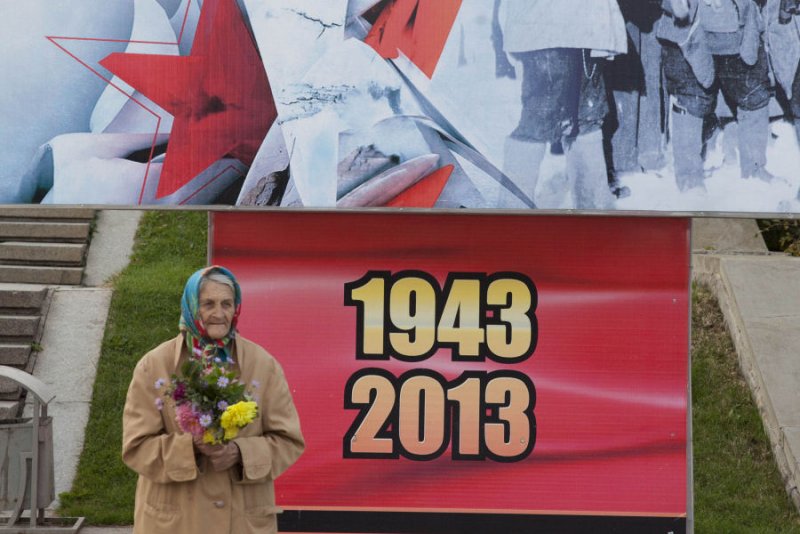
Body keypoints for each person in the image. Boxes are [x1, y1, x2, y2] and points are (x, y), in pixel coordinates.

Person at [122, 265, 304, 534]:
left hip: (242, 521)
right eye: (208, 304)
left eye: (226, 304)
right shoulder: (153, 366)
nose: (219, 314)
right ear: (192, 306)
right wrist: (191, 448)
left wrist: (239, 453)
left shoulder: (264, 365)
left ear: (236, 307)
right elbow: (136, 447)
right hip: (174, 523)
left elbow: (289, 441)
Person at [492, 0, 627, 209]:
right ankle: (510, 213)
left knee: (587, 116)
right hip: (548, 29)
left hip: (584, 29)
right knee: (539, 120)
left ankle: (593, 212)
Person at [657, 0, 775, 191]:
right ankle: (689, 178)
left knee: (753, 96)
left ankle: (755, 169)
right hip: (688, 31)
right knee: (690, 100)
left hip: (739, 31)